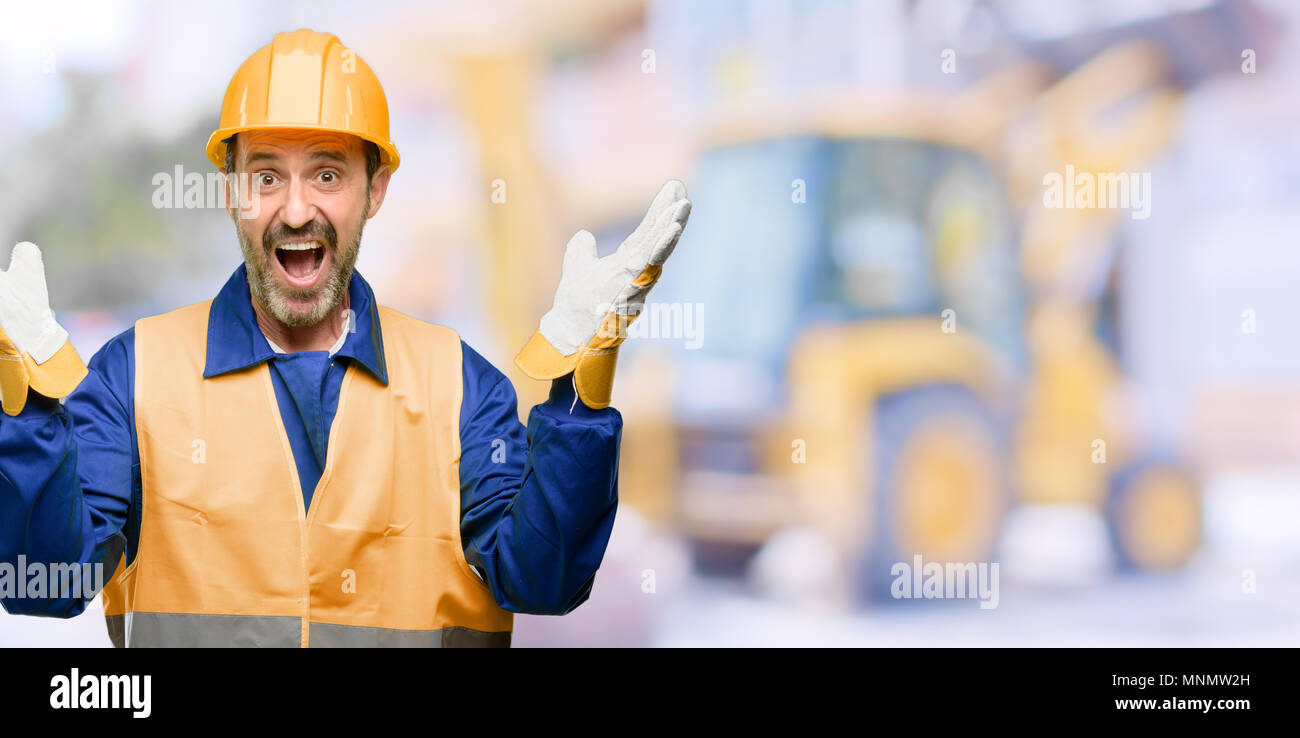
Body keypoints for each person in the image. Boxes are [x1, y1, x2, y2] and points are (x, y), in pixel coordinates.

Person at [0, 29, 690, 647]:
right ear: (231, 190)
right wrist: (24, 401)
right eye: (266, 175)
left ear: (376, 189)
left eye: (327, 174)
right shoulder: (136, 376)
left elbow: (544, 580)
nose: (296, 210)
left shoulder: (460, 386)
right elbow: (47, 583)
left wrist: (580, 387)